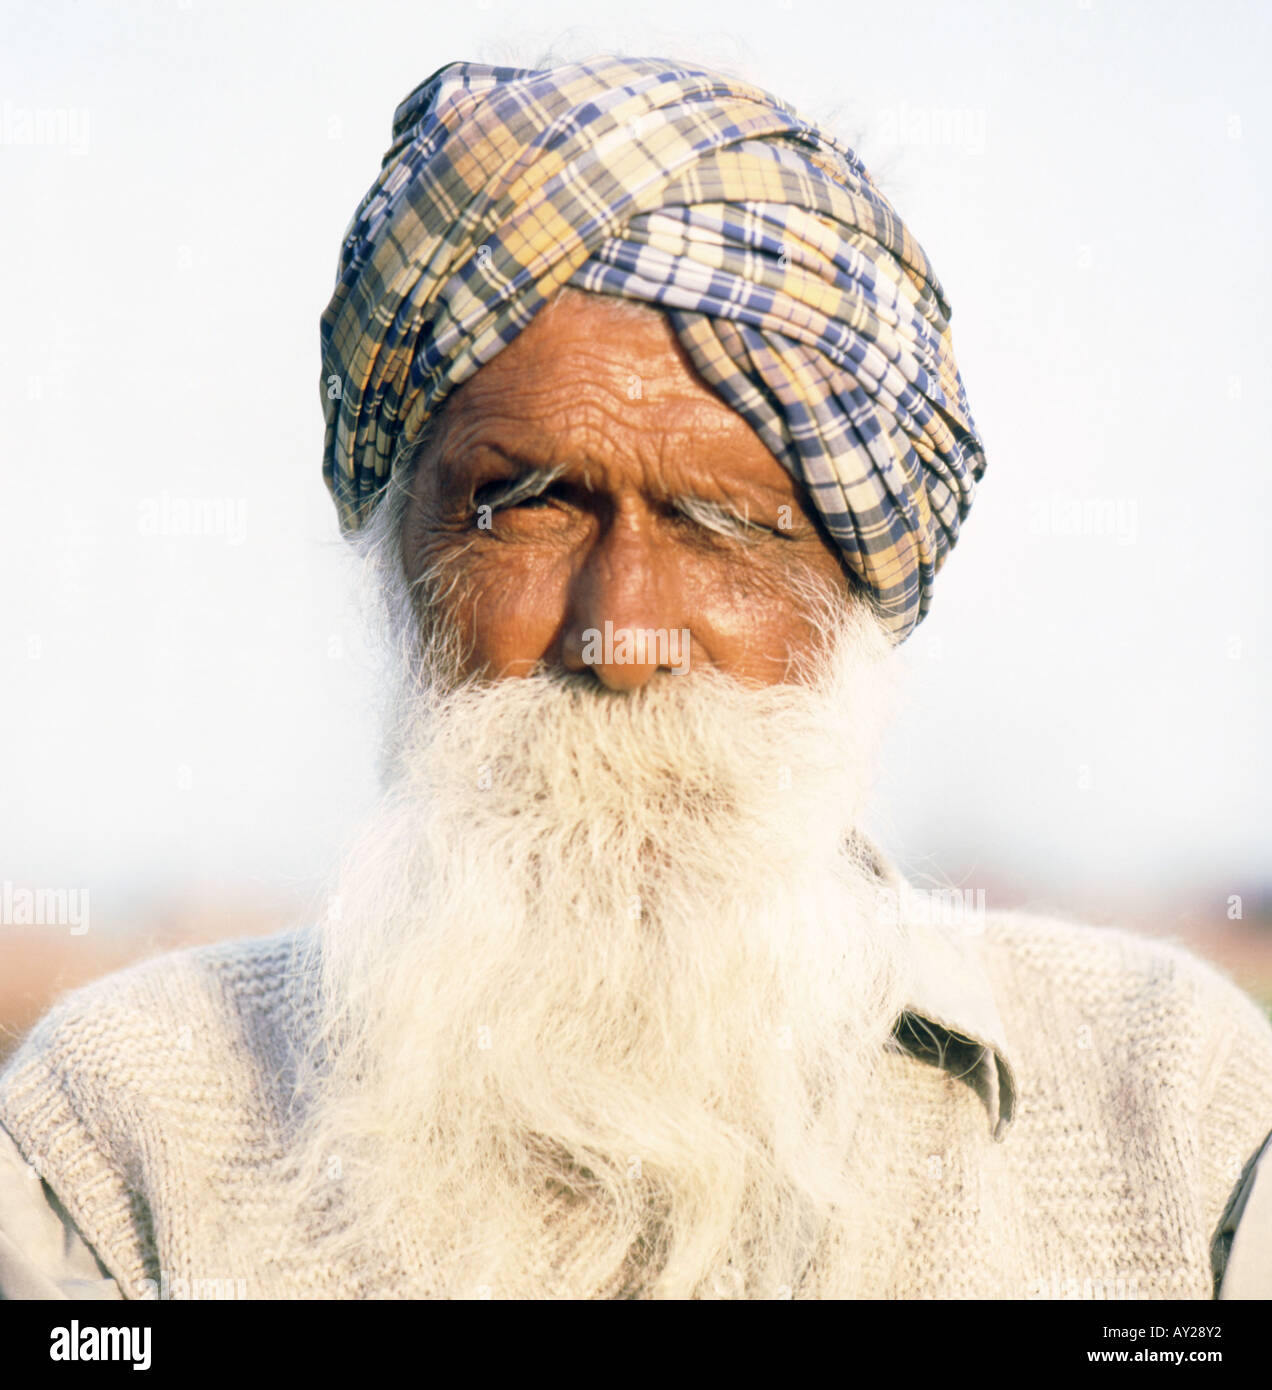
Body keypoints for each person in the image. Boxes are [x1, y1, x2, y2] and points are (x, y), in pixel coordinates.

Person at [2, 54, 1270, 1301]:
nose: (624, 629)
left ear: (860, 595)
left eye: (729, 520)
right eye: (528, 506)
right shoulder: (118, 1140)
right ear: (402, 561)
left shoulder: (1173, 1111)